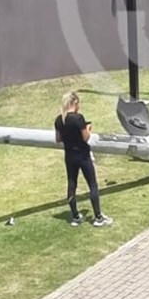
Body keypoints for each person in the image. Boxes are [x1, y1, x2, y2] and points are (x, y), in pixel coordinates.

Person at [54, 91, 113, 227]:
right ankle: (98, 217)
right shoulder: (78, 118)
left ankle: (75, 216)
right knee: (92, 184)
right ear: (75, 103)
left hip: (69, 155)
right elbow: (85, 137)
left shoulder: (59, 120)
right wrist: (88, 129)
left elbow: (58, 139)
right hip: (82, 154)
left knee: (72, 183)